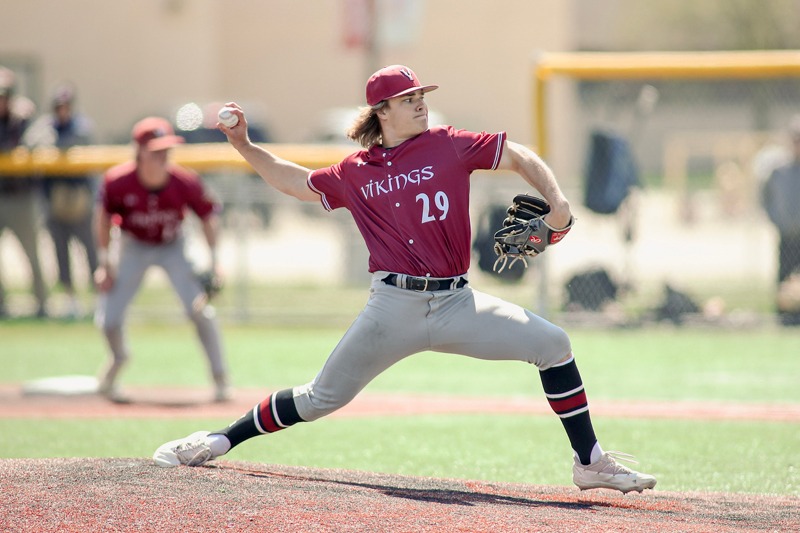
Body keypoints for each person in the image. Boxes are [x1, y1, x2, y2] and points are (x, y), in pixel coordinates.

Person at [153, 65, 657, 494]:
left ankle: (589, 463)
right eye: (408, 99)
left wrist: (560, 203)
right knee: (318, 399)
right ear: (382, 112)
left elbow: (519, 155)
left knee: (554, 343)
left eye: (421, 97)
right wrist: (243, 145)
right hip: (392, 307)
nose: (420, 105)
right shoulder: (356, 170)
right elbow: (293, 180)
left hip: (459, 304)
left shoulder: (449, 145)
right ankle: (219, 439)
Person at [93, 116, 231, 402]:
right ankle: (118, 361)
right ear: (139, 150)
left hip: (173, 244)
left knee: (201, 311)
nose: (162, 155)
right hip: (133, 245)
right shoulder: (118, 181)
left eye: (166, 149)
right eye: (155, 149)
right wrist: (105, 263)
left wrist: (214, 261)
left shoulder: (184, 181)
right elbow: (104, 219)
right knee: (108, 319)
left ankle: (221, 380)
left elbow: (207, 217)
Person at [23, 83, 98, 318]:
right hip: (54, 198)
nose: (62, 109)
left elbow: (89, 154)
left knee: (90, 251)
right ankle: (70, 297)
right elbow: (30, 145)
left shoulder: (82, 127)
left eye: (66, 105)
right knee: (61, 252)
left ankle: (97, 297)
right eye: (59, 105)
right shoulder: (44, 128)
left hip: (79, 198)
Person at [0, 65, 48, 319]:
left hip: (20, 196)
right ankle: (1, 306)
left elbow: (36, 142)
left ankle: (42, 304)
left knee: (31, 253)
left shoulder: (24, 117)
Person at [762, 115, 800, 326]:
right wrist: (776, 220)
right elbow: (766, 198)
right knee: (784, 277)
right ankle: (784, 318)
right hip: (787, 235)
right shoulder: (779, 170)